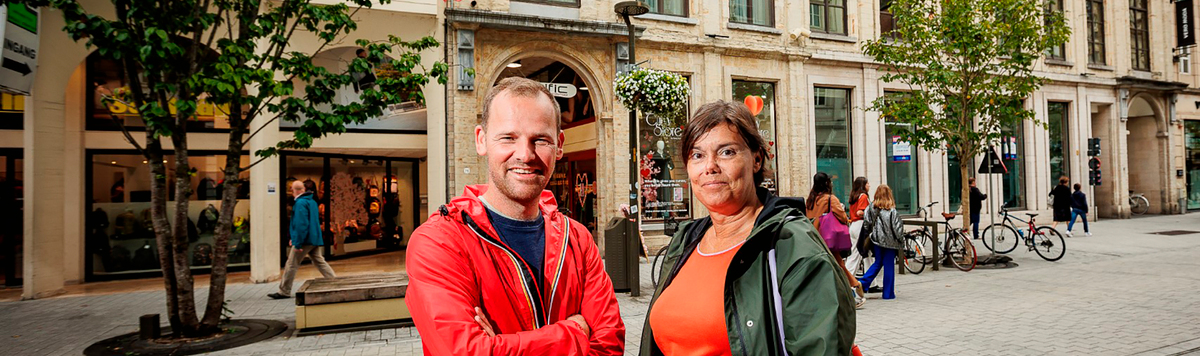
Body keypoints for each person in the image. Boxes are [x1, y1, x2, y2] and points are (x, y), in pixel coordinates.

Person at [405, 77, 624, 355]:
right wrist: (574, 332)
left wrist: (499, 345)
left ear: (559, 145)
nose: (525, 154)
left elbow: (609, 345)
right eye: (508, 137)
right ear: (481, 140)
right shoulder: (440, 241)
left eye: (540, 140)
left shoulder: (577, 239)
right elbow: (464, 352)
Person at [641, 101, 855, 355]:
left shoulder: (792, 245)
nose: (710, 166)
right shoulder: (685, 240)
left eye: (726, 152)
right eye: (697, 155)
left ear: (756, 159)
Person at [269, 180, 336, 299]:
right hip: (314, 238)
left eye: (292, 189)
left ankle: (284, 291)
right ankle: (335, 282)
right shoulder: (312, 202)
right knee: (319, 261)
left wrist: (297, 243)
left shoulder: (300, 203)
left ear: (294, 190)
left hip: (305, 240)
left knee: (291, 264)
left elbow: (301, 225)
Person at [807, 172, 865, 308]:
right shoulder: (829, 198)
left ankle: (852, 290)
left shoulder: (810, 199)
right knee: (839, 265)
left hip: (813, 237)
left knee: (829, 266)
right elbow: (842, 216)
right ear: (827, 183)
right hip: (828, 238)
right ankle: (854, 289)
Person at [858, 184, 906, 300]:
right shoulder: (892, 211)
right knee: (889, 265)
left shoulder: (870, 208)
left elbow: (866, 223)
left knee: (878, 262)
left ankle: (862, 283)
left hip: (876, 240)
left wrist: (872, 234)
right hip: (890, 242)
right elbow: (897, 229)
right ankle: (888, 293)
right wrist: (901, 240)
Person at [845, 177, 877, 296]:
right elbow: (860, 212)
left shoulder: (854, 196)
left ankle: (872, 283)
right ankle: (847, 280)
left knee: (866, 254)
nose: (869, 185)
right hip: (861, 226)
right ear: (863, 185)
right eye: (867, 183)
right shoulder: (863, 196)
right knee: (857, 254)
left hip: (853, 225)